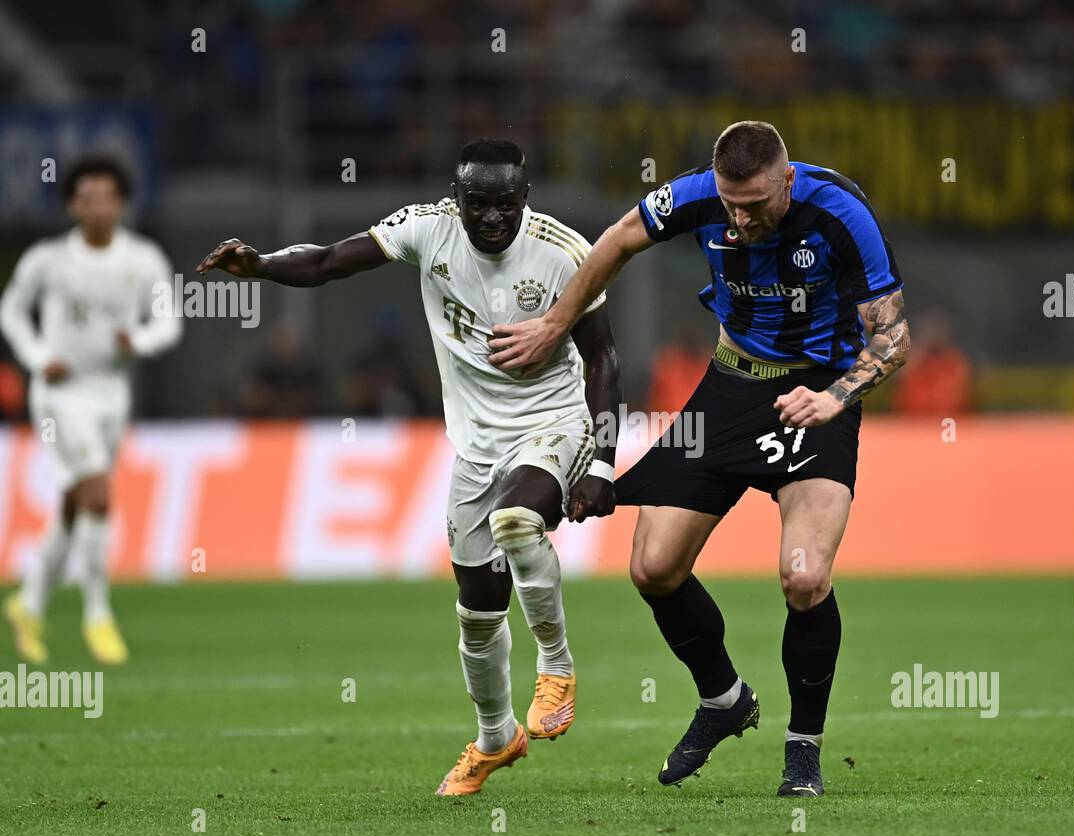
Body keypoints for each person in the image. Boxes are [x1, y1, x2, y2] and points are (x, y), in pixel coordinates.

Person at [489, 121, 909, 797]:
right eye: (729, 203)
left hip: (814, 395)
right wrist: (553, 324)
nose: (739, 217)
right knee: (652, 567)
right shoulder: (697, 197)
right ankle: (723, 698)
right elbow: (619, 239)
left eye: (756, 204)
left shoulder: (840, 214)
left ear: (787, 180)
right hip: (730, 388)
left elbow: (892, 339)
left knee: (803, 578)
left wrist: (835, 399)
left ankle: (803, 750)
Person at [198, 139, 623, 796]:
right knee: (478, 610)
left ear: (525, 198)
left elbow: (604, 359)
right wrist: (260, 265)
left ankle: (557, 669)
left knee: (517, 521)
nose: (490, 219)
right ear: (458, 201)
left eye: (504, 205)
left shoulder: (564, 250)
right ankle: (494, 738)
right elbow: (329, 263)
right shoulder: (427, 229)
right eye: (477, 204)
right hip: (475, 444)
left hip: (553, 422)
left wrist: (601, 461)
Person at [1, 156, 180, 665]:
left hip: (111, 394)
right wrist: (39, 357)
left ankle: (28, 604)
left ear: (121, 202)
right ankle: (98, 614)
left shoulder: (143, 259)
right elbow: (11, 311)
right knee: (98, 496)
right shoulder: (48, 260)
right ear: (72, 204)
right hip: (60, 394)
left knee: (74, 502)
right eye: (86, 197)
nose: (97, 206)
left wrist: (138, 341)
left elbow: (168, 322)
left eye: (106, 196)